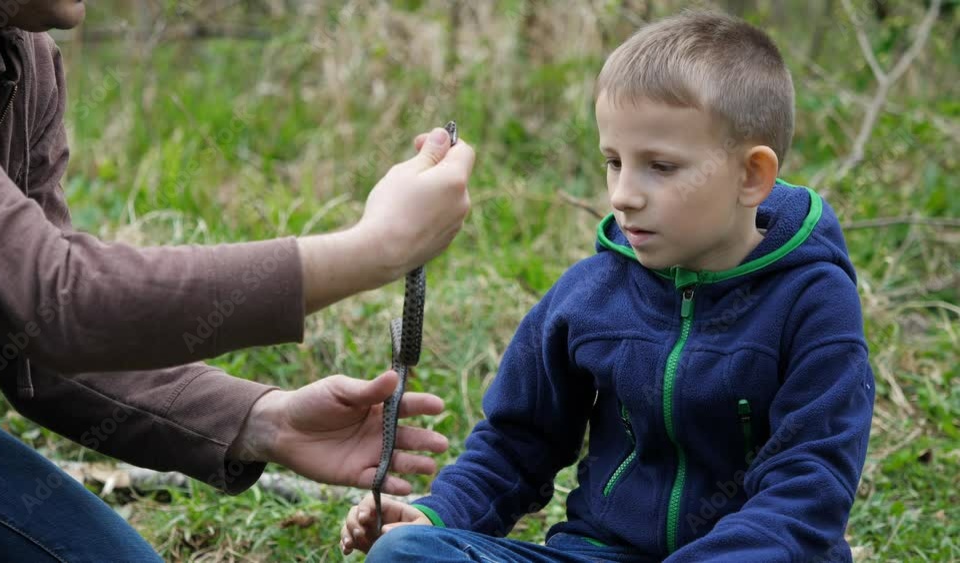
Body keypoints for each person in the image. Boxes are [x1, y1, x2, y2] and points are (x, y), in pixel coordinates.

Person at [342, 10, 875, 563]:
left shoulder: (813, 301)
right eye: (613, 162)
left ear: (751, 176)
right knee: (407, 553)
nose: (623, 194)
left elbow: (809, 482)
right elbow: (515, 443)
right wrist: (436, 513)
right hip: (597, 554)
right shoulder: (591, 294)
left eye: (660, 167)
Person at [0, 0, 475, 560]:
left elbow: (32, 338)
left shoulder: (23, 57)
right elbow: (63, 300)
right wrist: (374, 249)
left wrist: (263, 421)